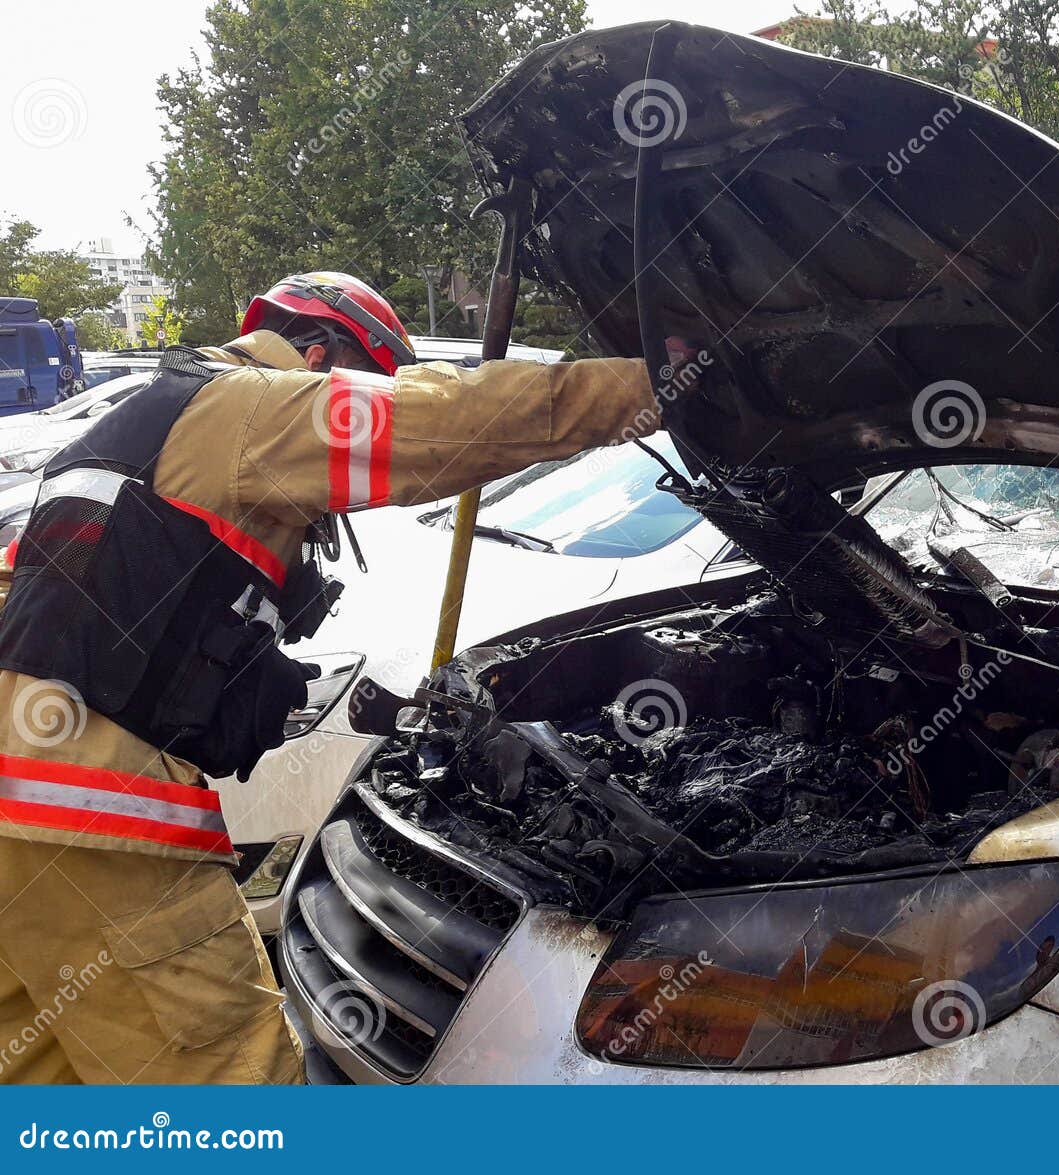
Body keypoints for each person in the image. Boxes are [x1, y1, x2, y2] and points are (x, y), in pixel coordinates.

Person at [0, 272, 660, 1083]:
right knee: (230, 1085)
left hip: (23, 829)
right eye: (362, 381)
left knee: (45, 1074)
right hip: (87, 824)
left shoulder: (137, 425)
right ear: (320, 352)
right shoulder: (253, 406)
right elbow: (448, 421)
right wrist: (656, 386)